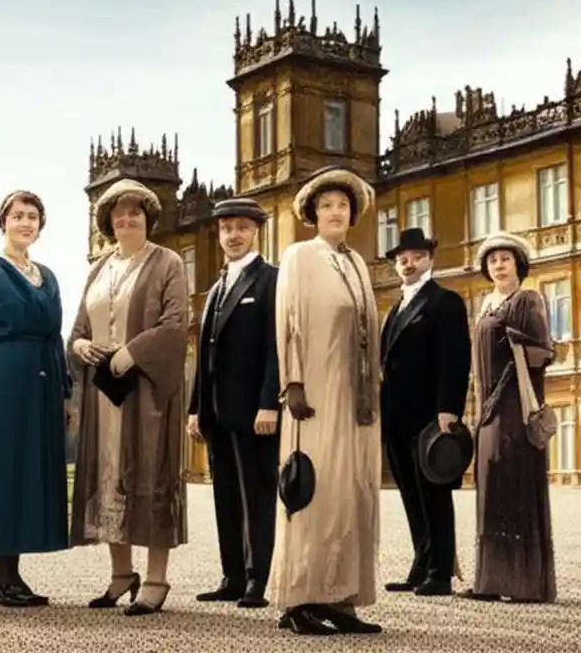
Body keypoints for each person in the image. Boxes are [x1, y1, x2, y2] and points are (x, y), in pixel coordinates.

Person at [68, 178, 190, 617]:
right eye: (118, 214)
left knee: (151, 473)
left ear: (148, 217)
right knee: (108, 478)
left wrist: (131, 353)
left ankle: (155, 579)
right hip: (104, 394)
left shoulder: (168, 262)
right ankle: (121, 574)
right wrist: (81, 347)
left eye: (134, 212)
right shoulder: (99, 268)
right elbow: (79, 328)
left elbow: (177, 322)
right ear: (108, 222)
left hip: (148, 390)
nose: (125, 219)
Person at [271, 166, 383, 636]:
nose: (336, 212)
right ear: (313, 213)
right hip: (314, 391)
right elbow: (289, 319)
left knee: (351, 491)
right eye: (328, 205)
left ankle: (340, 597)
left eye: (343, 205)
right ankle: (300, 599)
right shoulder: (300, 256)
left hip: (355, 395)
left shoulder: (357, 263)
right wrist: (292, 382)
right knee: (313, 491)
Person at [0, 190, 71, 608]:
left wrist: (63, 392)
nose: (26, 223)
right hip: (3, 378)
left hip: (42, 381)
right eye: (18, 215)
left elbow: (55, 335)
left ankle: (14, 574)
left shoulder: (48, 276)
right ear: (3, 221)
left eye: (33, 217)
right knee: (3, 470)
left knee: (30, 473)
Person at [186, 197, 280, 609]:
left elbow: (278, 347)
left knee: (257, 495)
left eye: (241, 227)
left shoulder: (272, 280)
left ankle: (258, 579)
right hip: (217, 412)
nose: (233, 235)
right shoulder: (217, 287)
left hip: (254, 410)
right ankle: (233, 576)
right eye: (226, 229)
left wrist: (269, 402)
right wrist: (195, 408)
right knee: (225, 494)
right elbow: (205, 354)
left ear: (255, 230)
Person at [463, 231, 557, 604]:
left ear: (518, 264)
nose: (498, 265)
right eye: (492, 260)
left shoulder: (527, 299)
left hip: (514, 405)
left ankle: (523, 582)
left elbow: (542, 354)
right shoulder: (486, 304)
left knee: (514, 483)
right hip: (487, 406)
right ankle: (490, 580)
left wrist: (522, 341)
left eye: (505, 258)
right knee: (490, 486)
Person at [378, 227, 471, 597]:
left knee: (434, 493)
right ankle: (421, 564)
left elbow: (455, 359)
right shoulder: (395, 308)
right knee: (410, 494)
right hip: (397, 417)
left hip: (429, 416)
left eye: (416, 257)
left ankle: (441, 572)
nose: (408, 264)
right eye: (402, 259)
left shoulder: (444, 301)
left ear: (430, 259)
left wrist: (449, 409)